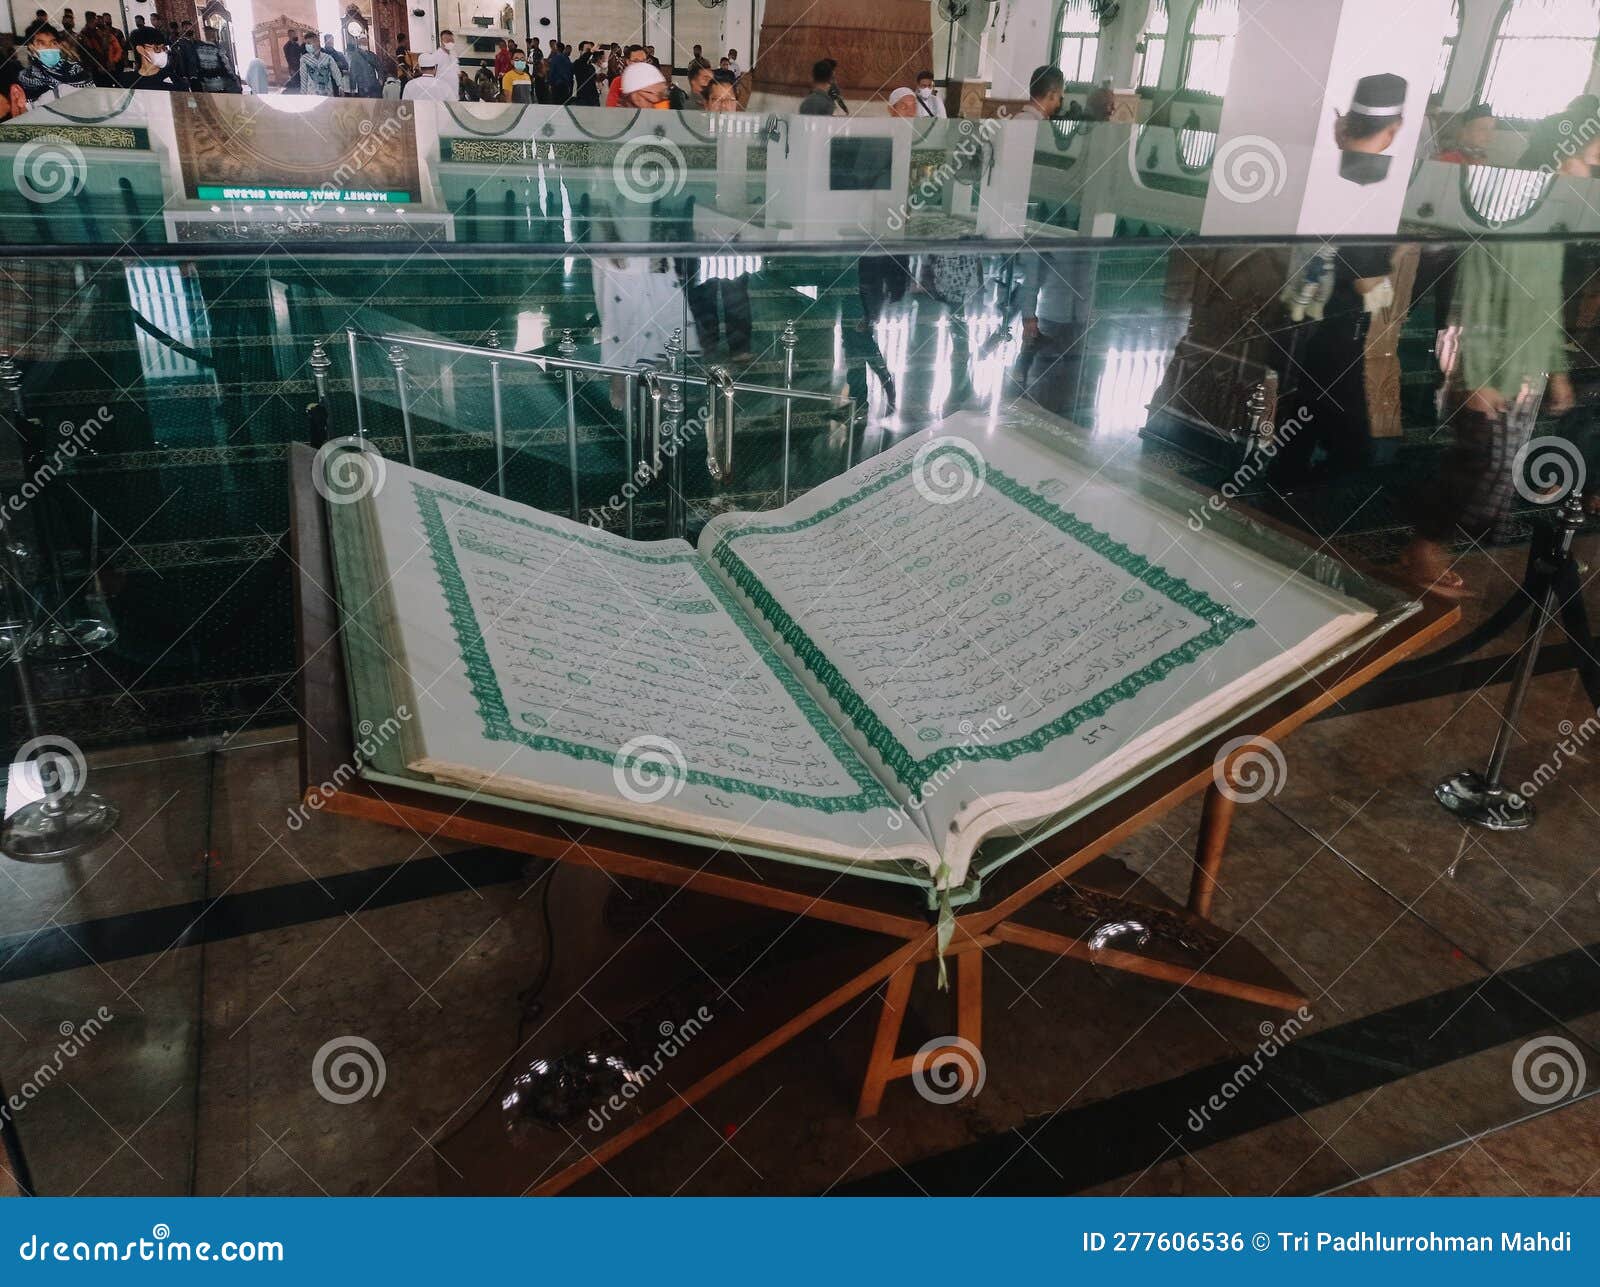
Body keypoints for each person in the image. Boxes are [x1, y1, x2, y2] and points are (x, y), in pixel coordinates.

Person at [18, 24, 93, 101]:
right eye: (41, 44)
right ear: (31, 48)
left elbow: (92, 98)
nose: (49, 47)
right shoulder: (26, 78)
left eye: (53, 43)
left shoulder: (76, 70)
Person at [119, 27, 185, 90]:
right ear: (141, 50)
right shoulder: (126, 80)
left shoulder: (175, 80)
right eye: (157, 48)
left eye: (164, 48)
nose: (163, 52)